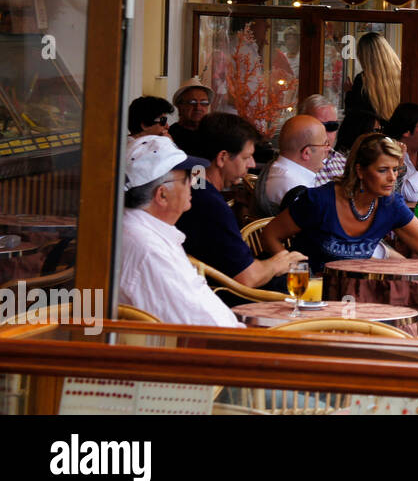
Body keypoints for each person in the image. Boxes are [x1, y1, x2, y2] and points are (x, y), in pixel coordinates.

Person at [262, 133, 418, 272]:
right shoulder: (320, 200)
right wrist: (293, 271)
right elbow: (270, 235)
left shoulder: (389, 203)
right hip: (315, 297)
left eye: (396, 170)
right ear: (360, 171)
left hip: (362, 295)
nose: (392, 178)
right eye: (383, 170)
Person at [118, 135, 242, 327]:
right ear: (162, 194)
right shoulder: (149, 249)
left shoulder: (142, 230)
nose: (193, 183)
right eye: (186, 178)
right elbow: (204, 326)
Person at [179, 113, 305, 291]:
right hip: (224, 296)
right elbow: (247, 277)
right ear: (222, 158)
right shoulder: (210, 205)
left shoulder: (193, 183)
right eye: (246, 157)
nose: (252, 164)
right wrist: (280, 262)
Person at [254, 115, 330, 216]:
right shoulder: (295, 188)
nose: (328, 149)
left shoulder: (276, 168)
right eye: (325, 144)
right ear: (306, 153)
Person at [344, 32, 401, 122]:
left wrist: (349, 93)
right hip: (398, 131)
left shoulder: (363, 80)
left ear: (362, 56)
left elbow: (354, 116)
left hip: (372, 134)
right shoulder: (401, 75)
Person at [299, 94, 347, 187]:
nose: (324, 133)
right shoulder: (294, 166)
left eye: (332, 126)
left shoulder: (344, 164)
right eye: (317, 126)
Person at [168, 77, 213, 156]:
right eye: (192, 102)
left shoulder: (214, 134)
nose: (198, 107)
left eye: (204, 102)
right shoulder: (170, 136)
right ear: (180, 106)